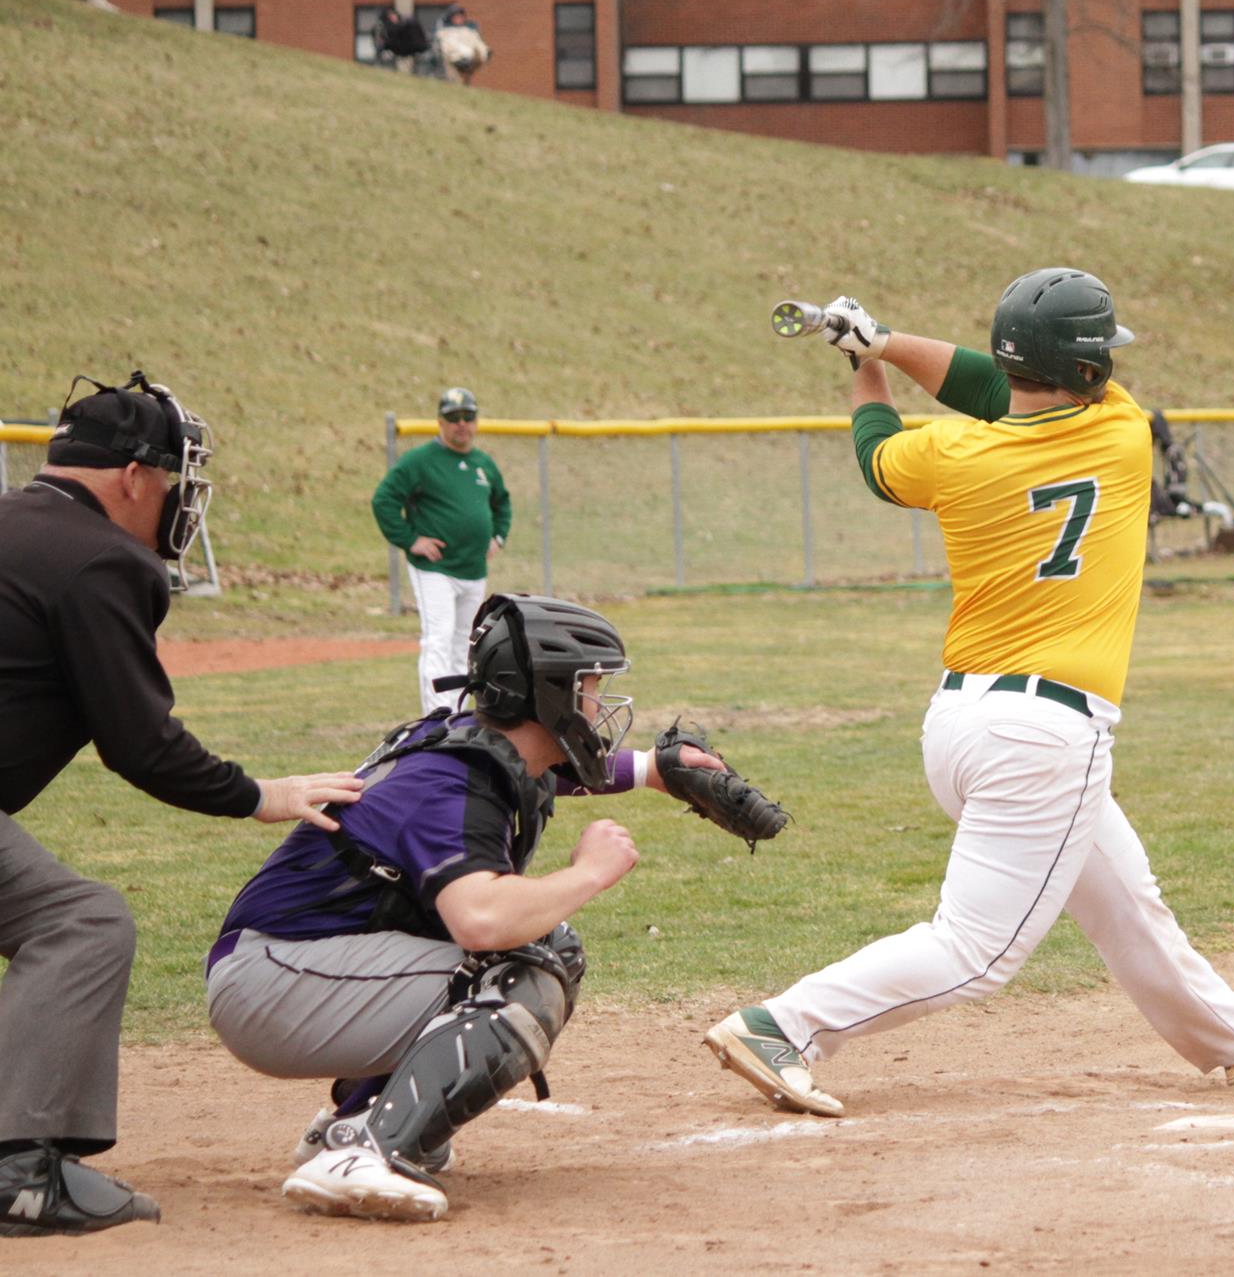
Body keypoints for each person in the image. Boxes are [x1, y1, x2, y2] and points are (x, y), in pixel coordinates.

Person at [705, 272, 1234, 1118]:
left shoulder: (951, 455)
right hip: (1045, 734)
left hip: (961, 723)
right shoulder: (1122, 433)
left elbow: (879, 454)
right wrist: (886, 337)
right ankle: (781, 1023)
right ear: (1086, 372)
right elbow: (990, 382)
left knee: (1124, 895)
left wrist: (868, 365)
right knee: (975, 951)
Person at [206, 593, 731, 1222]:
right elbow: (479, 919)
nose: (600, 703)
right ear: (550, 694)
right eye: (590, 686)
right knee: (525, 964)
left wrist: (652, 769)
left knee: (539, 947)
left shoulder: (480, 748)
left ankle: (353, 1123)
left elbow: (549, 771)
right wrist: (588, 873)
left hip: (299, 966)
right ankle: (365, 1151)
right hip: (274, 980)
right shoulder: (450, 782)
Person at [0, 373, 364, 1239]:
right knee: (81, 922)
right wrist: (261, 795)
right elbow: (141, 744)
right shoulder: (102, 559)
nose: (177, 499)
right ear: (133, 475)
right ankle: (20, 1172)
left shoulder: (15, 523)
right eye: (173, 478)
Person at [372, 387, 511, 714]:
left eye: (468, 417)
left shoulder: (482, 464)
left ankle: (459, 714)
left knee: (466, 642)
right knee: (439, 637)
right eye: (453, 418)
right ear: (440, 422)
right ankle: (437, 717)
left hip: (473, 569)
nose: (461, 424)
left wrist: (498, 537)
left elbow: (501, 503)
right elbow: (384, 500)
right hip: (435, 569)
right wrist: (411, 540)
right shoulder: (420, 461)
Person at [432, 4, 491, 86]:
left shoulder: (469, 30)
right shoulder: (445, 31)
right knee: (454, 79)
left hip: (470, 57)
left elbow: (477, 43)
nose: (459, 19)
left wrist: (485, 52)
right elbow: (447, 46)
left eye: (460, 16)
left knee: (477, 53)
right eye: (456, 16)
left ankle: (466, 77)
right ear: (451, 17)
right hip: (453, 58)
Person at [370, 6, 431, 70]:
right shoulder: (388, 27)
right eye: (391, 17)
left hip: (409, 48)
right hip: (403, 49)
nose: (393, 18)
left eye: (393, 16)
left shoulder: (405, 24)